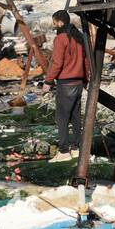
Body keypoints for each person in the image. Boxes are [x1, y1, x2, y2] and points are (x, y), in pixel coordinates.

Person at [41, 10, 89, 153]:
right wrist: (85, 79)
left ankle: (63, 150)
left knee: (62, 118)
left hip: (65, 83)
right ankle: (76, 146)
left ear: (60, 21)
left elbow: (56, 63)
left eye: (54, 22)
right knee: (75, 116)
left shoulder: (61, 38)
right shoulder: (79, 37)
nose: (53, 24)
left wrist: (48, 82)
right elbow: (86, 61)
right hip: (79, 82)